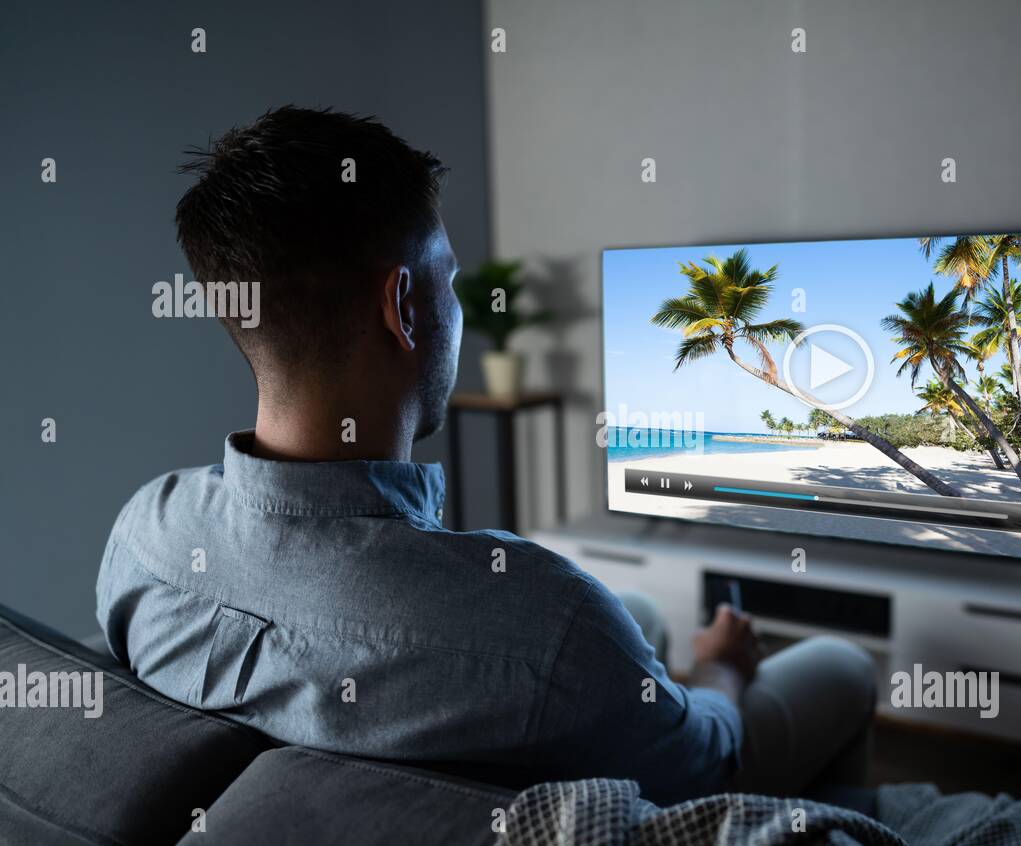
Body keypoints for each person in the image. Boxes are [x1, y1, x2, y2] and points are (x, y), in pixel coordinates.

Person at [96, 106, 875, 805]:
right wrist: (722, 671)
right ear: (403, 307)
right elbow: (704, 764)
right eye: (452, 284)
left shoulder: (144, 533)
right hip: (673, 761)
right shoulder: (547, 619)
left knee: (629, 618)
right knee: (840, 664)